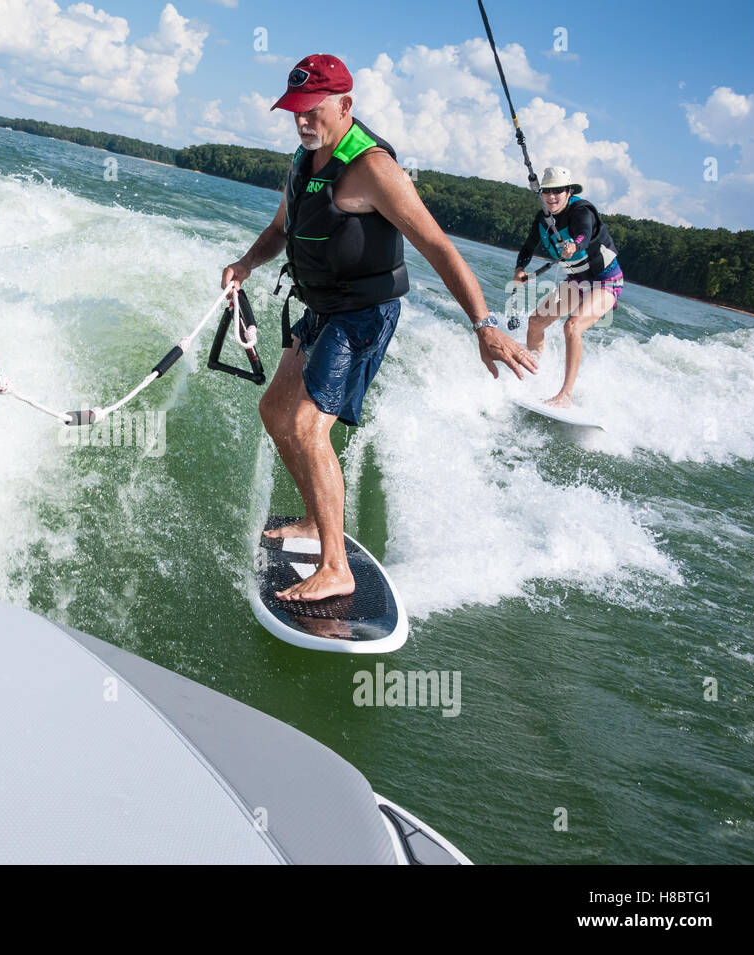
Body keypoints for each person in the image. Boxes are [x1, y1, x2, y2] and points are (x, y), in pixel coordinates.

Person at [221, 54, 536, 602]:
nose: (301, 121)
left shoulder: (371, 168)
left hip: (362, 315)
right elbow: (279, 229)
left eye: (312, 110)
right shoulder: (303, 158)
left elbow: (438, 247)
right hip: (316, 306)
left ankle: (335, 565)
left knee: (306, 425)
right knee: (275, 411)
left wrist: (484, 324)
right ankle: (319, 523)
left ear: (346, 105)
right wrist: (247, 264)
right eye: (294, 110)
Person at [513, 166, 623, 408]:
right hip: (578, 281)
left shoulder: (581, 210)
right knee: (535, 323)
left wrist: (574, 244)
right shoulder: (542, 219)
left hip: (606, 280)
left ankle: (565, 395)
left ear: (568, 191)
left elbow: (584, 232)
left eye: (558, 191)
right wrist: (519, 270)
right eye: (547, 192)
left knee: (572, 326)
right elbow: (528, 247)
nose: (552, 197)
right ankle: (535, 378)